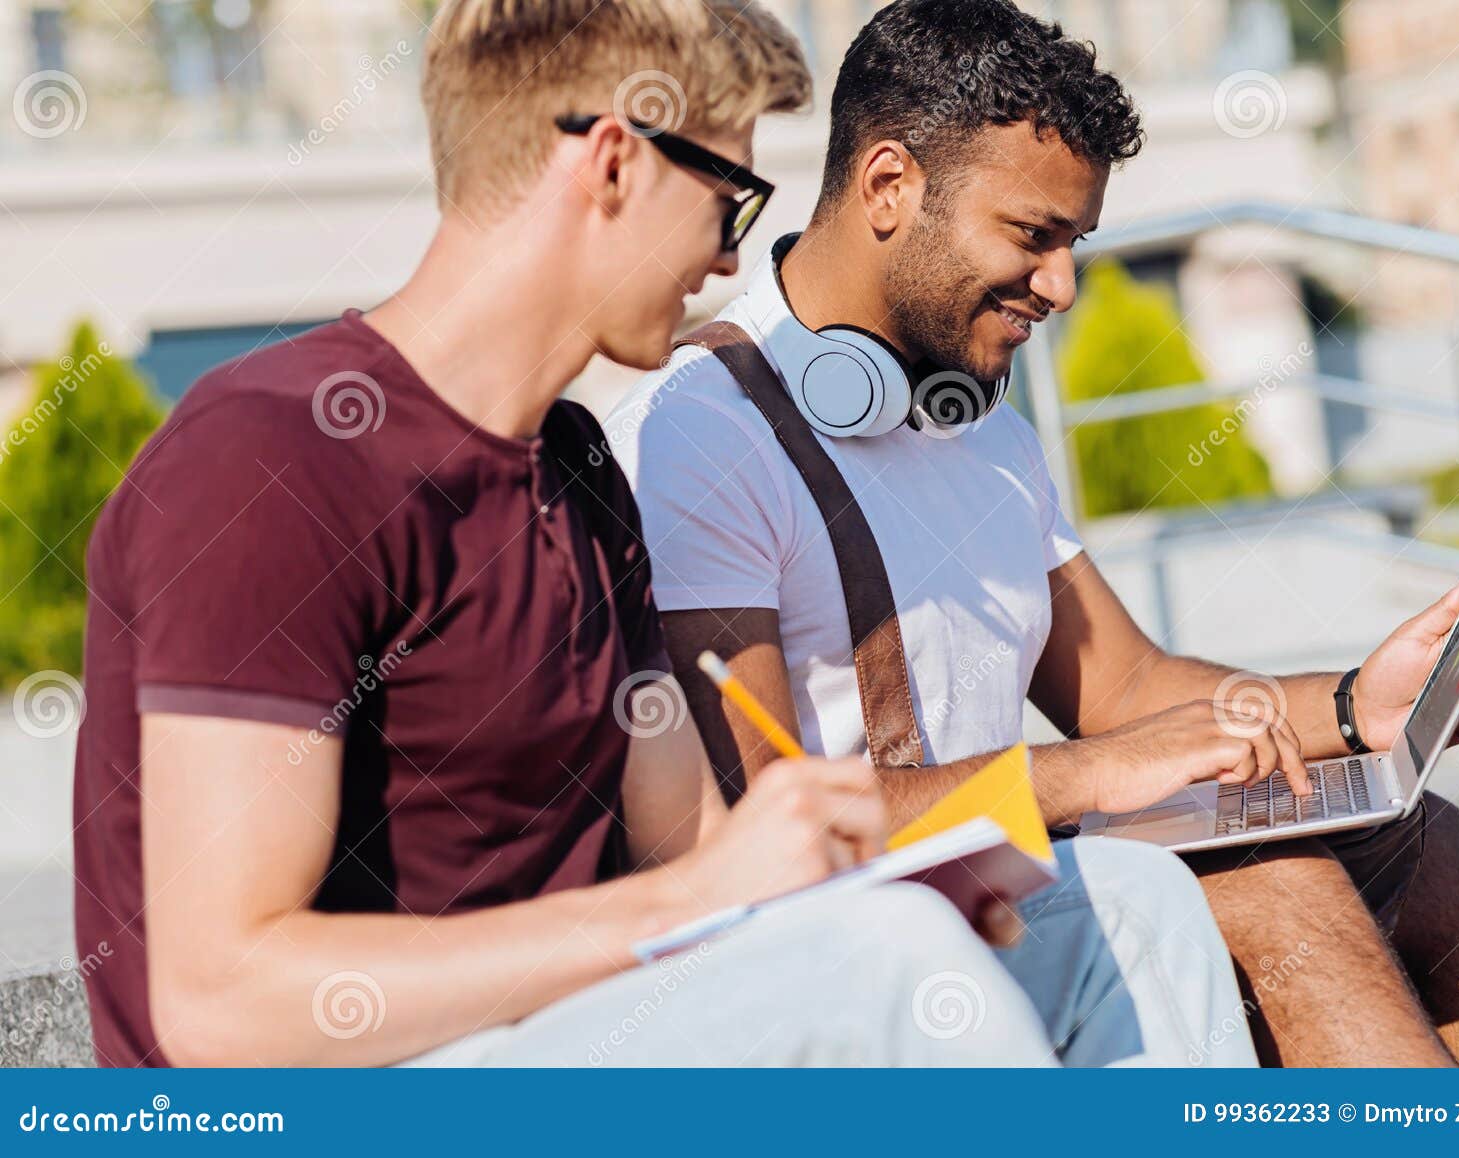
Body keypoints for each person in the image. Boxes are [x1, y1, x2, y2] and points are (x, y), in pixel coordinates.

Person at [70, 0, 1065, 1069]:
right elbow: (220, 1005)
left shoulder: (576, 467)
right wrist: (708, 902)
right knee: (886, 979)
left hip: (571, 1040)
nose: (728, 263)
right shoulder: (269, 458)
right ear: (612, 164)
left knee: (1118, 913)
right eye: (726, 203)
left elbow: (696, 850)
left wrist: (853, 869)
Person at [606, 0, 1459, 1067]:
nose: (1062, 288)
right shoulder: (705, 430)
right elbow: (767, 821)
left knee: (1419, 833)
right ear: (889, 185)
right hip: (869, 934)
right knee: (1272, 883)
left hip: (1021, 876)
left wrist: (1359, 705)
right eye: (1033, 238)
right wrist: (1091, 775)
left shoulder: (975, 416)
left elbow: (1119, 687)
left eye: (1073, 244)